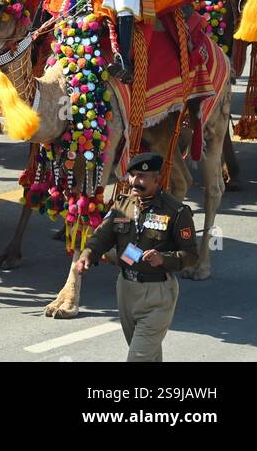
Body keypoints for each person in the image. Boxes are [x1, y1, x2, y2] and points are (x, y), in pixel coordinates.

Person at [74, 151, 198, 362]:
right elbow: (103, 236)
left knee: (138, 357)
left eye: (141, 177)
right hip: (126, 289)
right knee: (146, 354)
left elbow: (191, 255)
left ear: (157, 179)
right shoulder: (124, 204)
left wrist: (164, 259)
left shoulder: (176, 212)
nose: (134, 181)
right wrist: (88, 253)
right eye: (132, 175)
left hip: (157, 293)